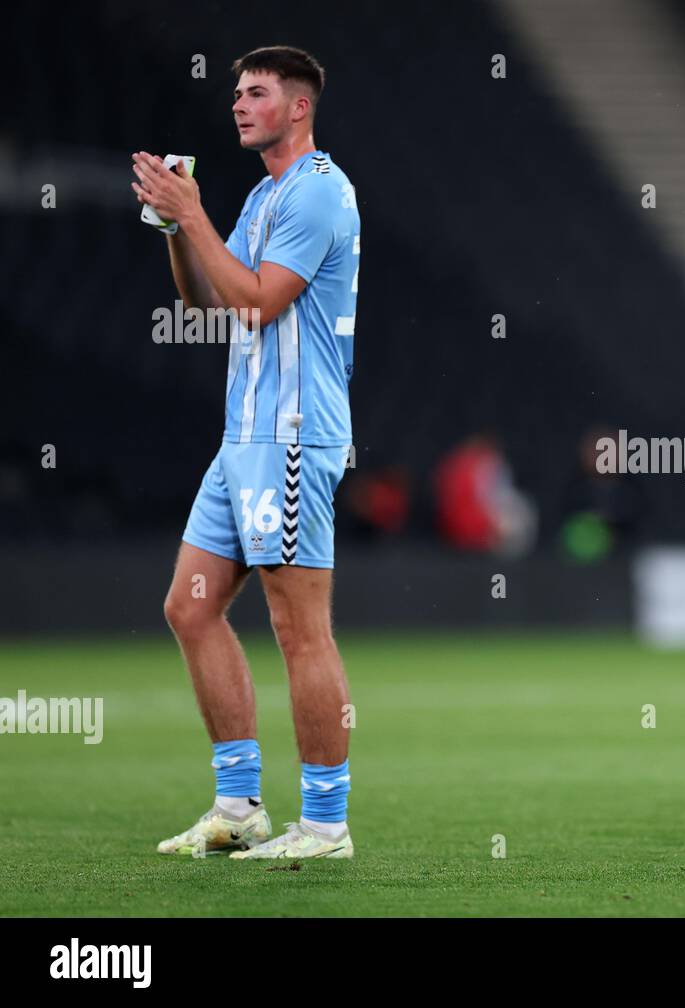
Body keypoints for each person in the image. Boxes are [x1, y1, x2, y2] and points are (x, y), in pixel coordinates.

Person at [134, 45, 361, 860]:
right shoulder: (267, 195)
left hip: (292, 437)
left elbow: (260, 304)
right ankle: (240, 807)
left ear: (298, 106)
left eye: (256, 92)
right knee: (189, 607)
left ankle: (327, 824)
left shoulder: (320, 193)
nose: (239, 103)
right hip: (244, 440)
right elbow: (208, 298)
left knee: (299, 630)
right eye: (236, 93)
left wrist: (193, 213)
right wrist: (174, 229)